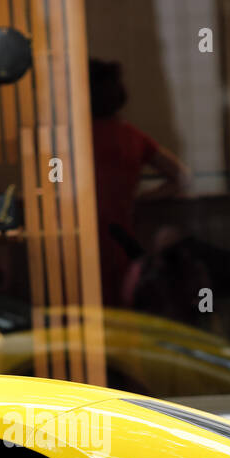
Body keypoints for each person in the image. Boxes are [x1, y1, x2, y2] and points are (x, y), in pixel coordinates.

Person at [89, 59, 190, 306]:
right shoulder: (132, 137)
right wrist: (139, 199)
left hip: (82, 239)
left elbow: (53, 182)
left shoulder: (74, 137)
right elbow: (181, 178)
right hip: (122, 237)